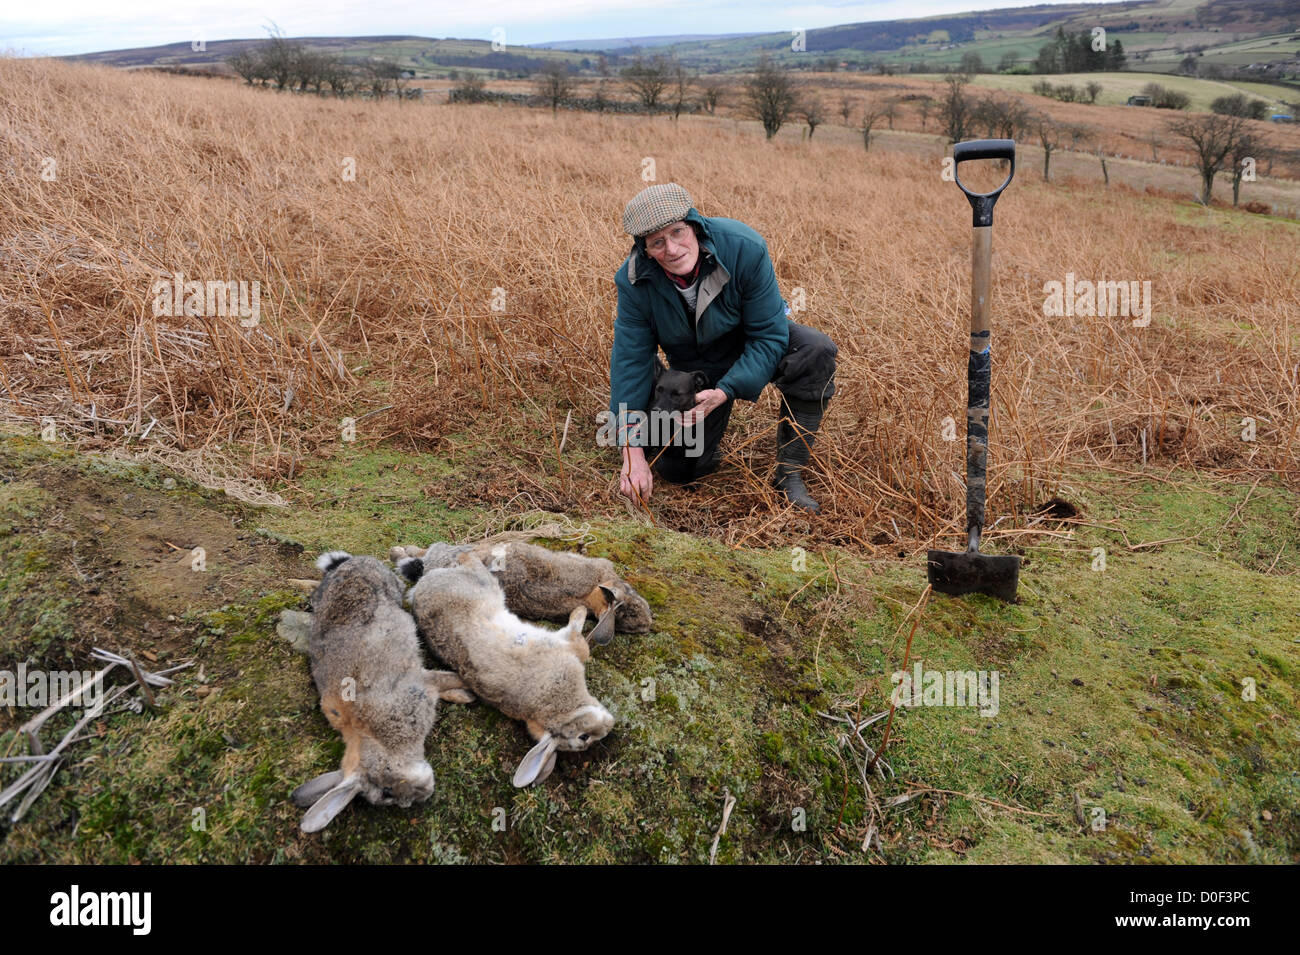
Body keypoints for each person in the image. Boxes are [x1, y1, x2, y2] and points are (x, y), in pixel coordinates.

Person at [609, 182, 837, 512]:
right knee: (678, 470)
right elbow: (630, 362)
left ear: (695, 227)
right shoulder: (634, 281)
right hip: (697, 368)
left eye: (677, 233)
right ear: (644, 249)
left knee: (814, 350)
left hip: (750, 343)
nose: (671, 249)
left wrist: (726, 390)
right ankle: (705, 446)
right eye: (657, 243)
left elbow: (769, 336)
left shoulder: (744, 247)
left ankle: (789, 475)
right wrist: (632, 454)